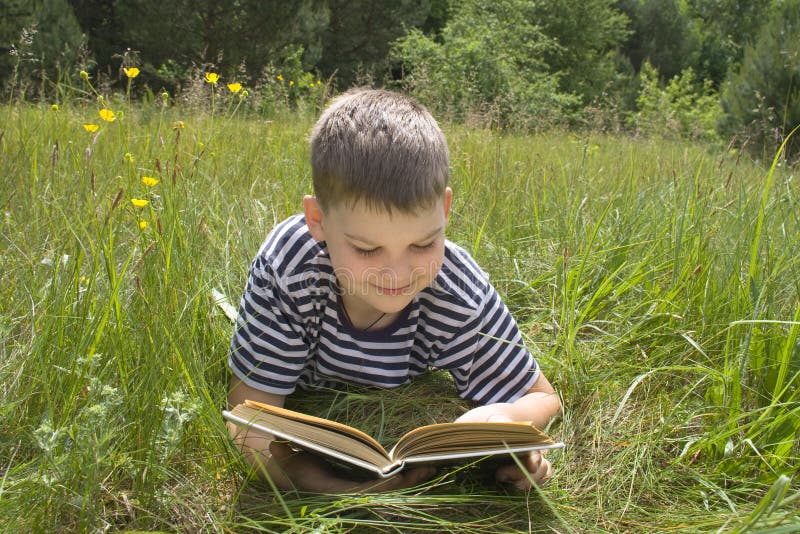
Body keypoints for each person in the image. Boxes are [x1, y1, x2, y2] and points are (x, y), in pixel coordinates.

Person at [226, 88, 562, 493]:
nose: (397, 274)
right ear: (317, 220)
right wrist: (337, 490)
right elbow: (248, 418)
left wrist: (511, 426)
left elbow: (541, 396)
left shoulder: (456, 289)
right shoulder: (289, 269)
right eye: (367, 249)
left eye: (422, 244)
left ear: (445, 210)